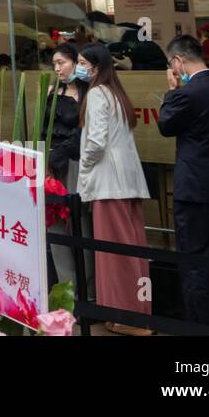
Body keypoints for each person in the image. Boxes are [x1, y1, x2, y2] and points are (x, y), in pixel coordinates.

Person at [159, 34, 209, 331]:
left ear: (179, 61)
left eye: (171, 64)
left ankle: (200, 327)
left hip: (194, 191)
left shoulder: (185, 93)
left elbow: (166, 125)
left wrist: (171, 91)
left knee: (194, 264)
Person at [76, 42, 152, 335]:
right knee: (133, 251)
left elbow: (96, 142)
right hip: (129, 183)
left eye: (83, 62)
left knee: (114, 255)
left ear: (96, 67)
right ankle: (138, 314)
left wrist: (83, 172)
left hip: (109, 185)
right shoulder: (116, 92)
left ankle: (125, 318)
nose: (80, 68)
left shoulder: (96, 94)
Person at [41, 42, 89, 288]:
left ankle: (87, 290)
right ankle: (65, 287)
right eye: (54, 64)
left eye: (62, 62)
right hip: (53, 163)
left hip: (77, 162)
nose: (58, 69)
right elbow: (42, 129)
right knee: (56, 224)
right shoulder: (51, 92)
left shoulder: (90, 94)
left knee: (81, 224)